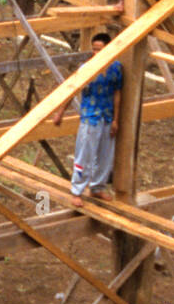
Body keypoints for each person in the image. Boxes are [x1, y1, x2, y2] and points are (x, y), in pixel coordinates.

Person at [52, 30, 122, 207]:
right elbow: (73, 90)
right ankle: (77, 190)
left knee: (105, 156)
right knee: (85, 155)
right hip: (90, 118)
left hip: (107, 117)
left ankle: (97, 187)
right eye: (94, 49)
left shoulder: (116, 68)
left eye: (99, 49)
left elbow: (117, 94)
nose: (95, 53)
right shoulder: (86, 69)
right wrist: (60, 113)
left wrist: (116, 119)